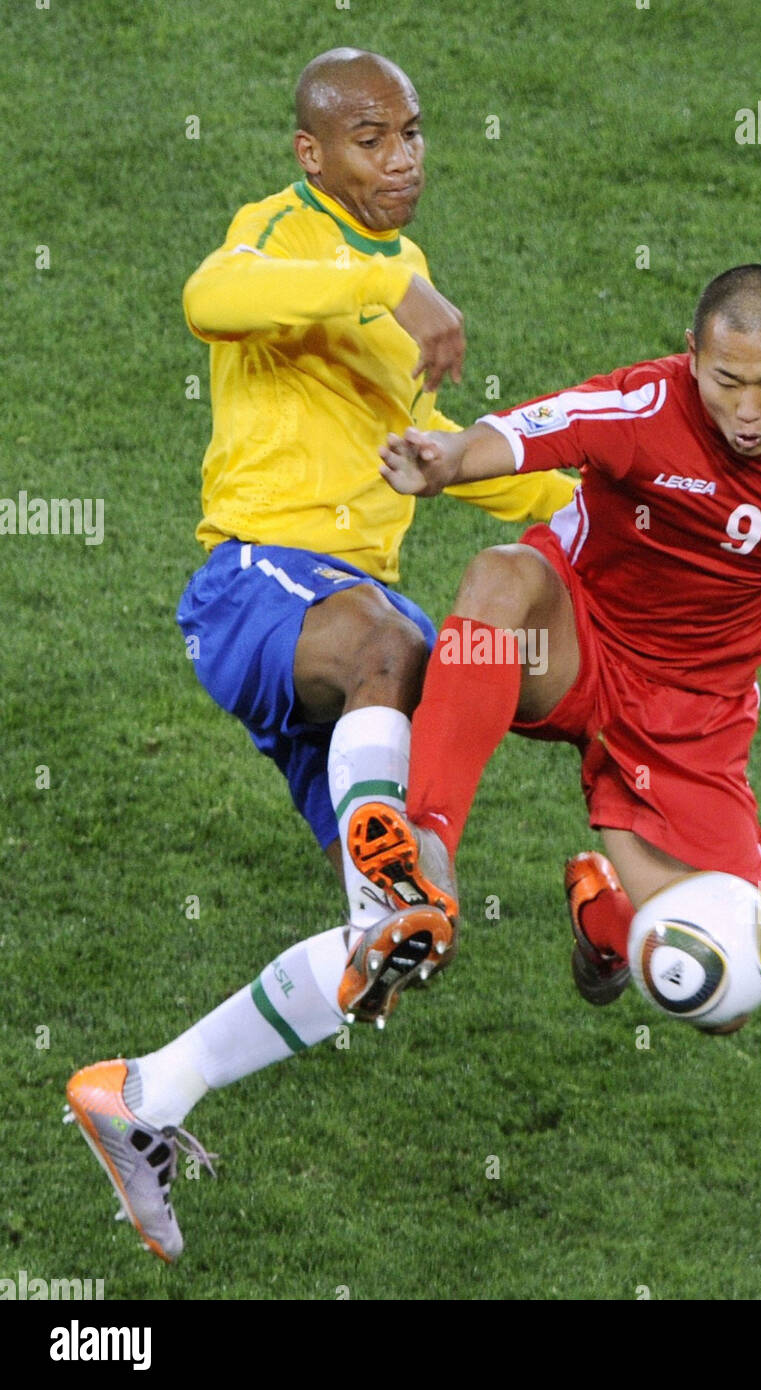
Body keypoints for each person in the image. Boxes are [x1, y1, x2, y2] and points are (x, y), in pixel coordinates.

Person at [63, 47, 573, 1263]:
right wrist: (374, 289)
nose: (401, 157)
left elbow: (426, 440)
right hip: (261, 584)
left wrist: (603, 498)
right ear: (312, 153)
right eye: (369, 137)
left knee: (401, 949)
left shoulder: (401, 270)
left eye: (411, 133)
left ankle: (144, 1093)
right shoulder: (280, 232)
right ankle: (386, 875)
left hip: (345, 634)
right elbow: (210, 296)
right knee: (399, 636)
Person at [350, 263, 761, 1026]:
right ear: (692, 352)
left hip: (694, 712)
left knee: (724, 994)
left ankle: (605, 919)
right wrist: (448, 462)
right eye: (727, 380)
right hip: (577, 643)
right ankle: (429, 851)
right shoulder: (644, 405)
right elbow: (526, 430)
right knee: (502, 575)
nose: (749, 410)